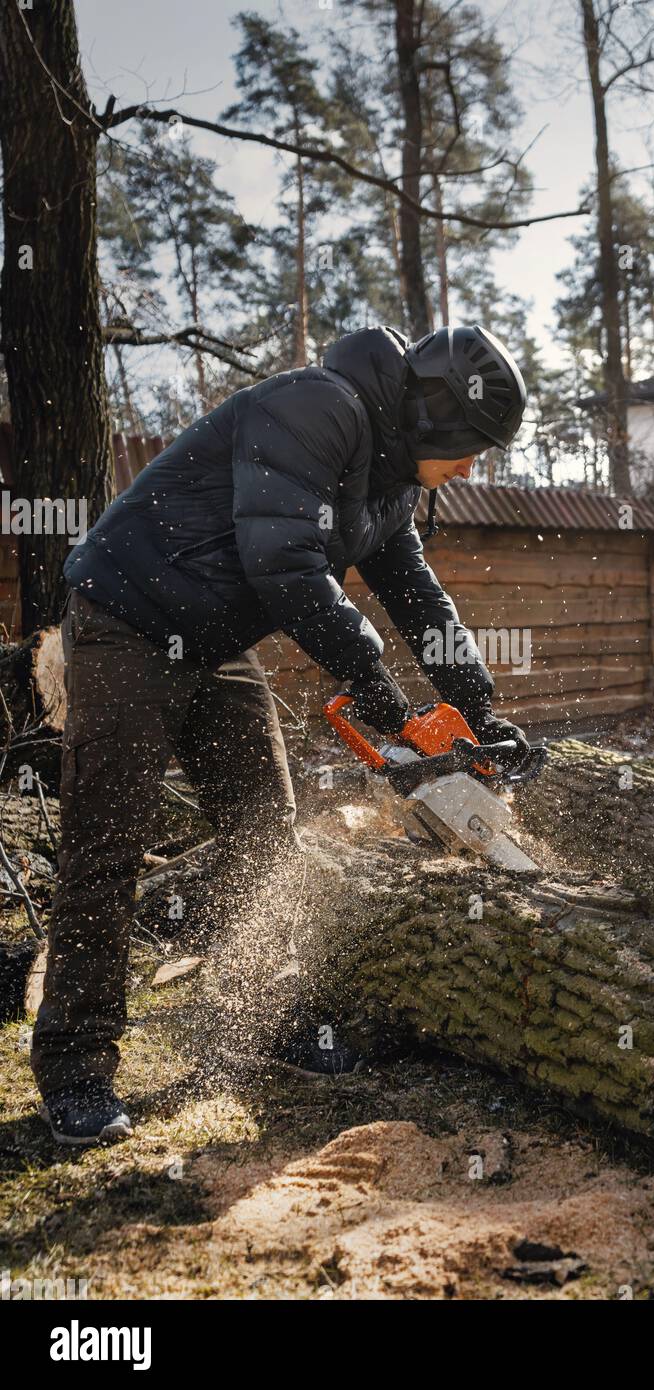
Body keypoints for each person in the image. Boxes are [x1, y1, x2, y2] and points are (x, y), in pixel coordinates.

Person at [32, 323, 530, 1144]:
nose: (472, 467)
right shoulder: (313, 407)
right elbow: (286, 565)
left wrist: (476, 708)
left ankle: (264, 1012)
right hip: (125, 621)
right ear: (437, 418)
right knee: (108, 845)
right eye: (472, 446)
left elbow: (417, 595)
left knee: (266, 826)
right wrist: (380, 695)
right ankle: (76, 1069)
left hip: (213, 642)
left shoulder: (391, 482)